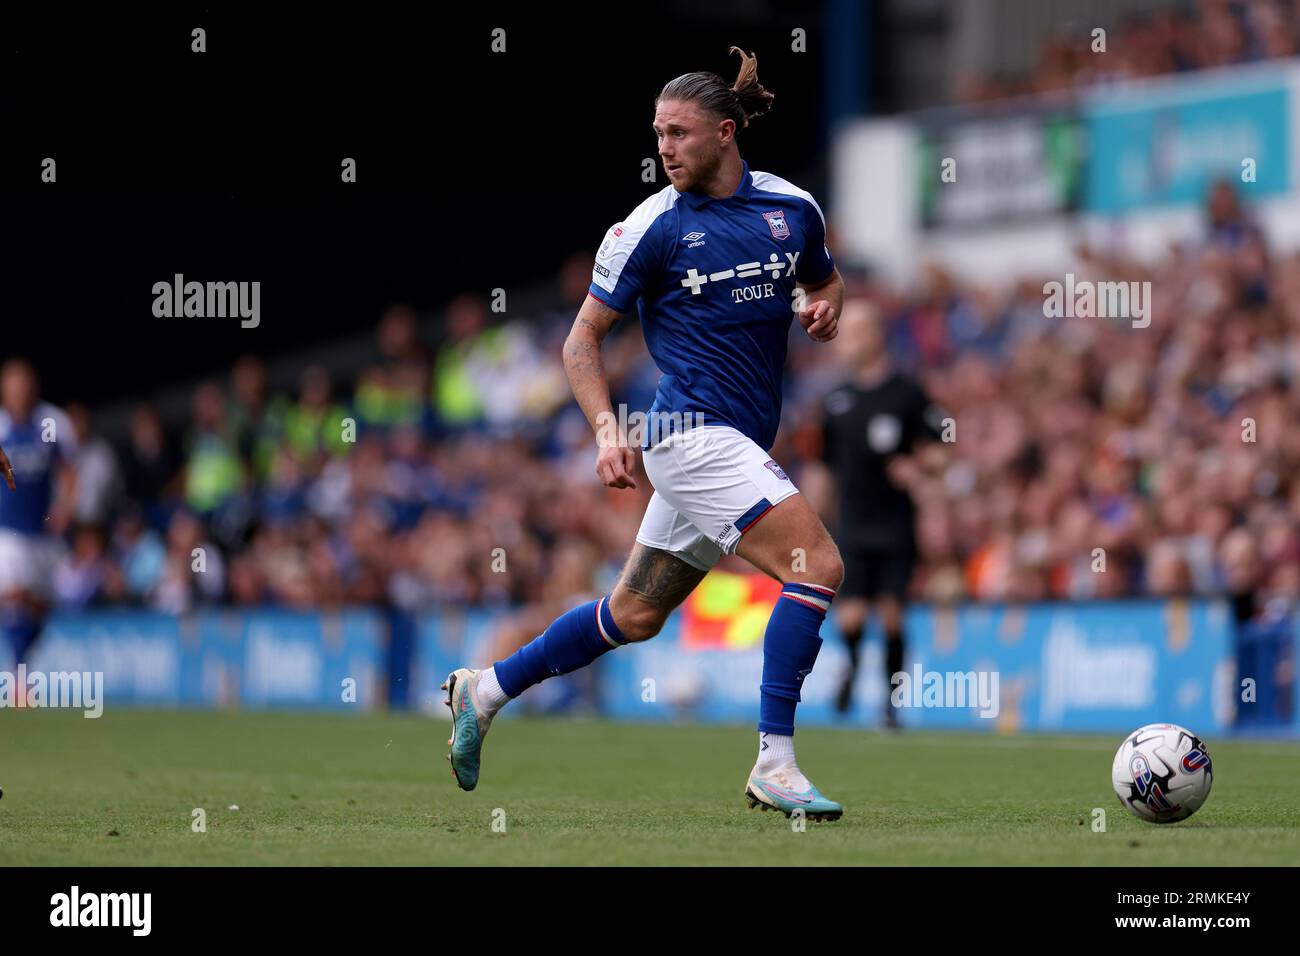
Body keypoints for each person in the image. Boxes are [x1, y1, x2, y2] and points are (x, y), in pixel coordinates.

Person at [442, 47, 848, 819]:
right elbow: (579, 341)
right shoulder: (648, 228)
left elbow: (823, 279)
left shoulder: (792, 210)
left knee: (632, 615)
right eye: (657, 133)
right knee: (817, 563)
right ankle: (776, 763)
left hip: (737, 442)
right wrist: (604, 431)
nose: (663, 148)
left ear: (726, 132)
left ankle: (484, 690)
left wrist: (825, 307)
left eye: (679, 134)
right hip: (689, 435)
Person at [816, 301, 946, 727]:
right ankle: (852, 668)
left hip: (895, 522)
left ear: (874, 335)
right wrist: (811, 519)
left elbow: (940, 451)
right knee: (850, 616)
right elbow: (823, 469)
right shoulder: (835, 401)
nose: (845, 342)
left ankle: (891, 703)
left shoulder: (908, 393)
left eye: (853, 332)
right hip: (851, 523)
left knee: (892, 613)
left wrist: (919, 466)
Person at [0, 359, 78, 666]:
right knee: (15, 593)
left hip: (43, 531)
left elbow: (70, 472)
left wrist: (65, 509)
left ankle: (25, 661)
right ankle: (19, 673)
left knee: (39, 604)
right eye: (14, 385)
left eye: (25, 384)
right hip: (8, 530)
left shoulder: (53, 422)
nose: (21, 391)